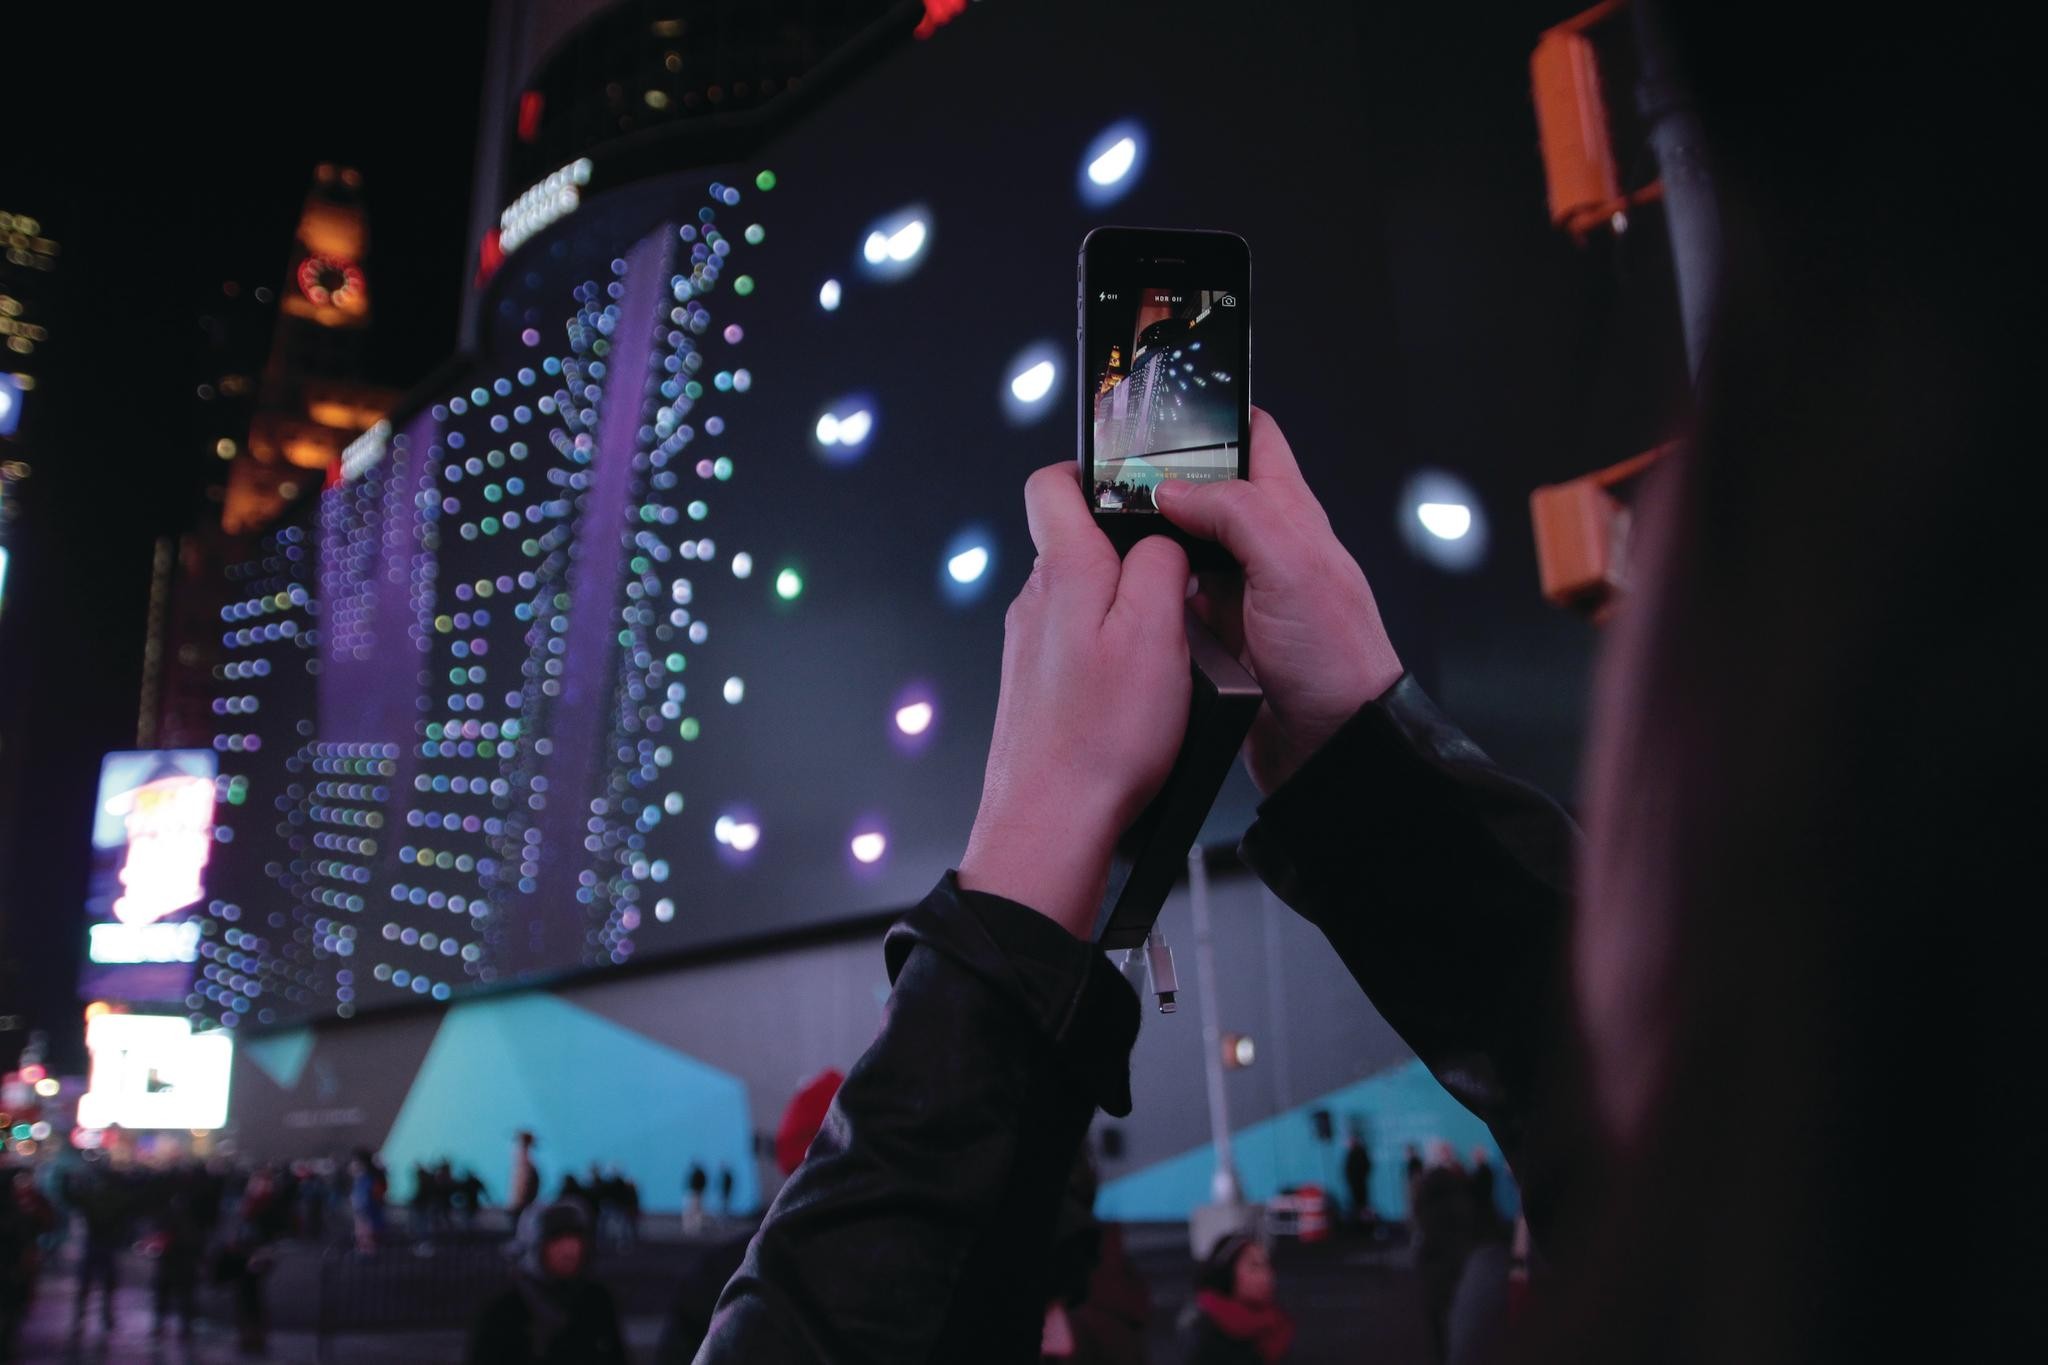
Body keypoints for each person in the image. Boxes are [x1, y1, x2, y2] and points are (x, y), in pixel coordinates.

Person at [467, 1199, 627, 1365]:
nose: (569, 1251)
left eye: (575, 1240)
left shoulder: (597, 1301)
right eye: (557, 1241)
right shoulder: (504, 1312)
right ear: (534, 1247)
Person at [1181, 1234, 1294, 1365]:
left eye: (1266, 1265)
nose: (1267, 1276)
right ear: (1228, 1273)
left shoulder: (1277, 1324)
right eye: (1254, 1267)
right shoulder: (1204, 1330)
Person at [1341, 1130, 1373, 1228]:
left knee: (1362, 1204)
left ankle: (1365, 1224)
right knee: (1356, 1204)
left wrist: (1359, 1177)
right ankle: (1359, 1223)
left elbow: (1366, 1166)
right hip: (1353, 1185)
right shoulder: (1351, 1153)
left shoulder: (1360, 1152)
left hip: (1359, 1184)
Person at [510, 1131, 540, 1223]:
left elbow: (523, 1187)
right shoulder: (525, 1164)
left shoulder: (525, 1166)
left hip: (522, 1206)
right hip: (522, 1206)